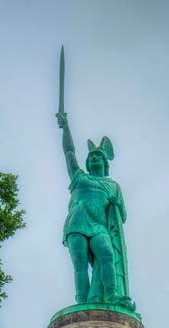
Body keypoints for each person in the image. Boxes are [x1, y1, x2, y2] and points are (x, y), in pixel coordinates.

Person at [56, 112, 131, 307]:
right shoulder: (79, 178)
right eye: (92, 156)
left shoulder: (113, 186)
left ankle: (111, 294)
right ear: (88, 163)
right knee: (79, 264)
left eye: (99, 156)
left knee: (107, 254)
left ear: (105, 164)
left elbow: (122, 216)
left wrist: (115, 203)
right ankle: (82, 300)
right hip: (77, 223)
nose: (95, 158)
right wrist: (66, 128)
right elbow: (69, 152)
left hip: (99, 226)